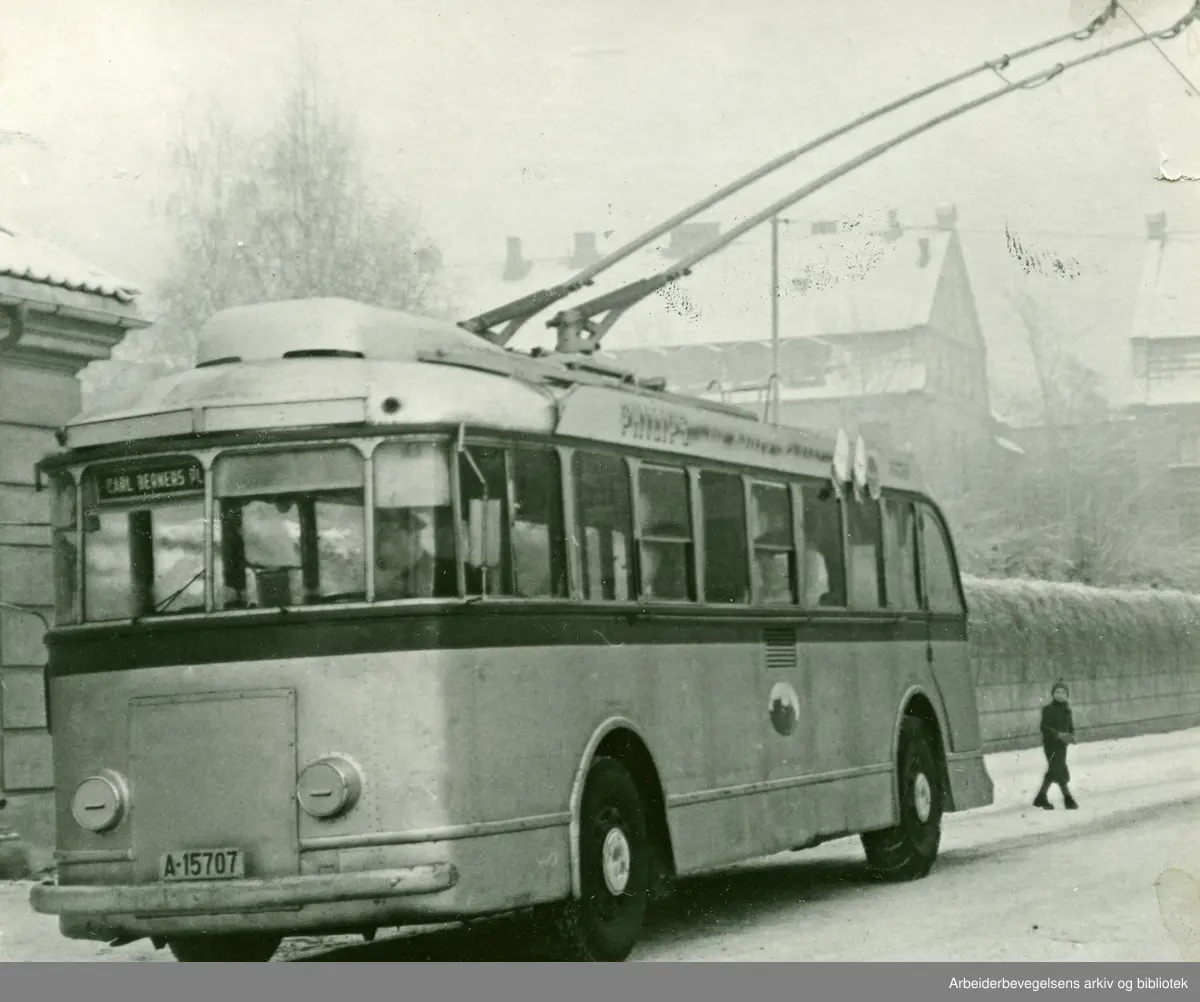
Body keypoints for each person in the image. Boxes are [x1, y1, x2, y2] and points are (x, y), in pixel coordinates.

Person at [1033, 680, 1078, 810]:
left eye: (1063, 692)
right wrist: (1058, 735)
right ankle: (1068, 799)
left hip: (1062, 746)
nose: (1060, 694)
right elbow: (1044, 727)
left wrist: (1071, 736)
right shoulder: (1048, 709)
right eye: (1057, 692)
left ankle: (1040, 798)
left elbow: (1070, 726)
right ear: (1052, 694)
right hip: (1051, 745)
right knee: (1058, 769)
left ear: (1067, 695)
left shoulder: (1067, 711)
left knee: (1054, 770)